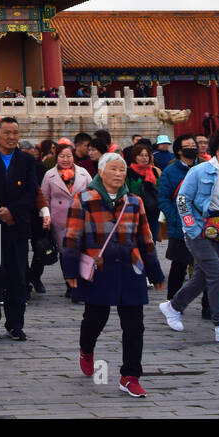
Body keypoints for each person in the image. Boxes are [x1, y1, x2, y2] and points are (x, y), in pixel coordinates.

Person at [62, 153, 165, 398]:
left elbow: (146, 239)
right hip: (99, 269)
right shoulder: (84, 199)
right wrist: (70, 269)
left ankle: (130, 376)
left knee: (134, 326)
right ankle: (86, 350)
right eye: (114, 169)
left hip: (131, 269)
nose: (119, 174)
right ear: (101, 172)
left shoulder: (133, 201)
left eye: (122, 170)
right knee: (95, 319)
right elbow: (72, 237)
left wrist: (155, 272)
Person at [159, 132, 219, 342]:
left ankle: (173, 306)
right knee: (218, 274)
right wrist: (192, 228)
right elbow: (182, 199)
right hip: (199, 230)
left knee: (202, 277)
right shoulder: (200, 171)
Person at [0, 118, 44, 341]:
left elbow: (31, 192)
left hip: (17, 227)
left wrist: (12, 212)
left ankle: (16, 324)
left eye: (15, 133)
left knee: (18, 276)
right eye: (7, 132)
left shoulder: (26, 160)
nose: (11, 137)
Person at [38, 141, 89, 297]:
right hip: (59, 220)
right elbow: (44, 198)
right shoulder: (50, 175)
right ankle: (70, 283)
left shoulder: (83, 173)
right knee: (65, 252)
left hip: (80, 218)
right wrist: (46, 215)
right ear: (56, 157)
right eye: (62, 156)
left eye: (68, 156)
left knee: (81, 250)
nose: (65, 159)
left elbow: (92, 193)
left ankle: (80, 282)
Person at [157, 135, 198, 292]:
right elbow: (164, 199)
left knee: (205, 265)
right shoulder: (170, 171)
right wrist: (174, 218)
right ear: (180, 151)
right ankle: (172, 301)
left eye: (194, 145)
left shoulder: (203, 167)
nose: (192, 148)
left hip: (201, 224)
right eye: (188, 146)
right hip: (180, 225)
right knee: (179, 265)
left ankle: (207, 306)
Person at [124, 143, 162, 251]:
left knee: (151, 241)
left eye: (147, 155)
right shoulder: (129, 172)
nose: (144, 158)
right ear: (134, 157)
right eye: (141, 155)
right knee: (137, 241)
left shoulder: (154, 171)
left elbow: (160, 188)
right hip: (135, 212)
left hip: (153, 211)